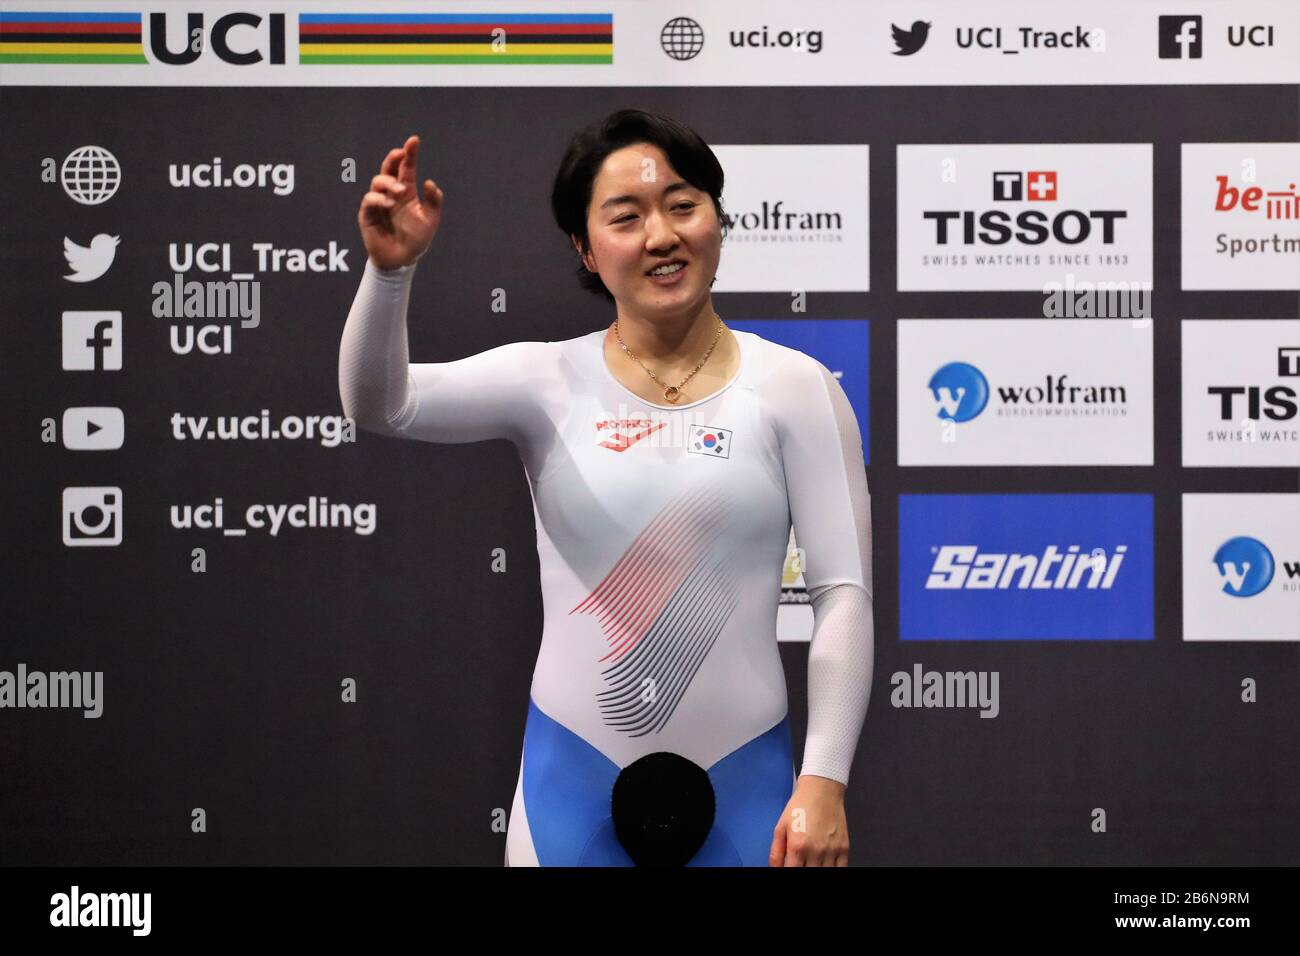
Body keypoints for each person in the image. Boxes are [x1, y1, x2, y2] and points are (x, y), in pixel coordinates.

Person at [338, 109, 874, 866]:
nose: (662, 236)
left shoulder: (796, 387)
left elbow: (843, 594)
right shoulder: (546, 380)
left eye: (683, 205)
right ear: (586, 250)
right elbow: (379, 404)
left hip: (752, 790)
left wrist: (824, 781)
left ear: (718, 221)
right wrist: (390, 273)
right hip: (571, 788)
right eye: (626, 218)